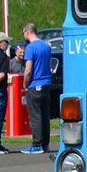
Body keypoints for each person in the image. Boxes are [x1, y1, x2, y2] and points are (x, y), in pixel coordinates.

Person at [20, 23, 53, 154]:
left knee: (35, 116)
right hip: (46, 83)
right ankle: (45, 144)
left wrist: (25, 83)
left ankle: (37, 144)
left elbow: (28, 70)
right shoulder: (46, 46)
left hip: (35, 84)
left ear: (27, 32)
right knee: (45, 115)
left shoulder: (30, 47)